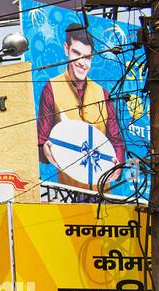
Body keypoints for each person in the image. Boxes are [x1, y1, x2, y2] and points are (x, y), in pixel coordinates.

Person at [36, 24, 125, 188]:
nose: (82, 63)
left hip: (102, 196)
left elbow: (116, 141)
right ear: (66, 49)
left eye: (87, 57)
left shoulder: (103, 94)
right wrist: (44, 149)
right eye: (76, 53)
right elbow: (41, 142)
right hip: (68, 195)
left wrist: (118, 165)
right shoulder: (51, 88)